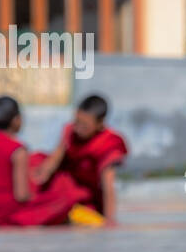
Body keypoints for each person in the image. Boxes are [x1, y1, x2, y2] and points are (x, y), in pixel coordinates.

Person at [0, 96, 87, 226]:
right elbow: (21, 195)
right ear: (16, 120)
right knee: (71, 196)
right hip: (7, 214)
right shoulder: (17, 150)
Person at [32, 93, 129, 223]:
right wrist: (36, 180)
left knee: (68, 199)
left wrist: (110, 220)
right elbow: (54, 159)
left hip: (86, 195)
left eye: (84, 125)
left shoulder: (108, 142)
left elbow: (108, 185)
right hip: (67, 183)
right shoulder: (70, 131)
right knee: (35, 160)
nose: (78, 129)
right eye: (76, 122)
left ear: (100, 124)